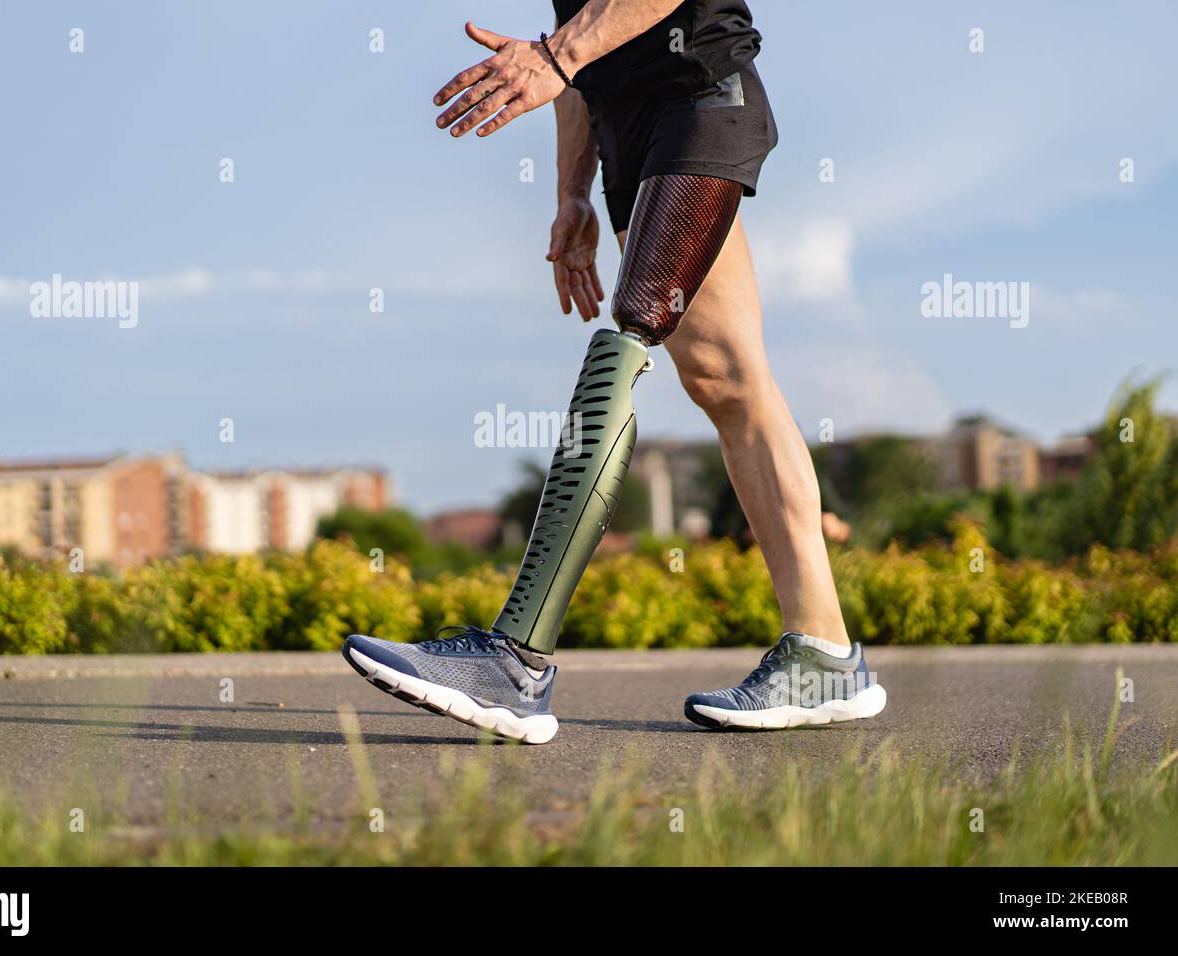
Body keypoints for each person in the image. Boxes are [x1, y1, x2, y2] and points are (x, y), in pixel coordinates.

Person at [342, 1, 886, 743]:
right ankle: (823, 652)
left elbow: (572, 49)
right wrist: (571, 190)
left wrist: (555, 56)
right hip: (631, 128)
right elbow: (581, 49)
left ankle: (516, 662)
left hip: (700, 99)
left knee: (630, 335)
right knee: (728, 380)